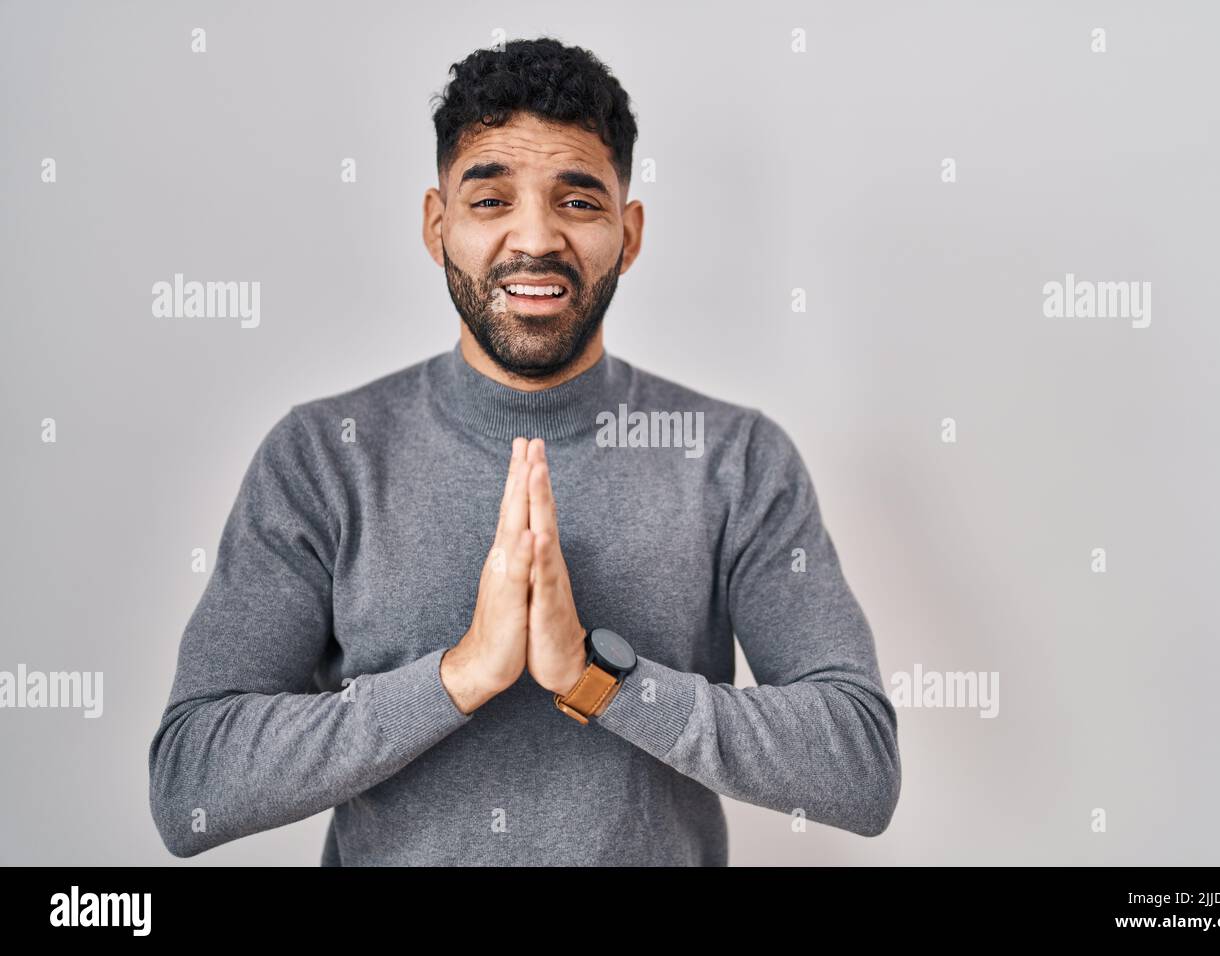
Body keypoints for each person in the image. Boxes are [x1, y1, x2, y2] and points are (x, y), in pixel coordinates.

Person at [148, 36, 901, 866]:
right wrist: (460, 677)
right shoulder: (323, 457)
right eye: (490, 200)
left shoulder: (737, 457)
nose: (535, 239)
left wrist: (597, 681)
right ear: (438, 227)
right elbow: (193, 785)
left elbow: (859, 768)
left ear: (630, 232)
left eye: (578, 202)